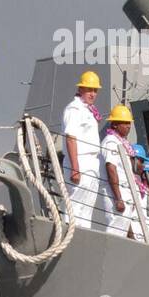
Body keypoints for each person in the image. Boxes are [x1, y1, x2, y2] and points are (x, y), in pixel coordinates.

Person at [61, 71, 102, 231]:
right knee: (76, 203)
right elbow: (71, 137)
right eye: (89, 90)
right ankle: (72, 234)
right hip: (80, 160)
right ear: (81, 89)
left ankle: (84, 236)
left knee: (88, 205)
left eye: (95, 90)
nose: (92, 94)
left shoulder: (88, 110)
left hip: (92, 161)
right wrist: (75, 167)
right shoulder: (74, 109)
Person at [99, 105, 141, 238]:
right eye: (124, 123)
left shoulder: (121, 143)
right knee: (116, 230)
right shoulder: (111, 142)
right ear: (115, 124)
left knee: (123, 230)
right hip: (117, 193)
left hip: (126, 193)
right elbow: (111, 168)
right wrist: (118, 198)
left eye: (129, 123)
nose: (128, 126)